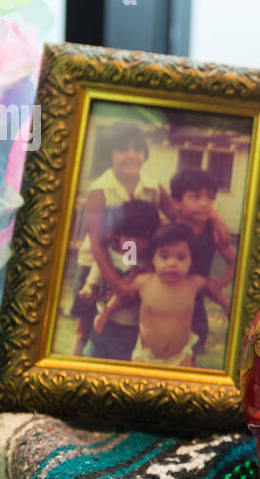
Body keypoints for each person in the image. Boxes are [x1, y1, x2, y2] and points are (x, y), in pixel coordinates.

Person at [72, 122, 162, 346]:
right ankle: (74, 363)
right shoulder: (100, 190)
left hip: (134, 259)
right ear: (109, 154)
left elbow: (177, 215)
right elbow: (96, 243)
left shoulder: (153, 187)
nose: (132, 155)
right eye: (123, 150)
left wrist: (214, 220)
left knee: (127, 319)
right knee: (86, 323)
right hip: (96, 261)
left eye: (137, 149)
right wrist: (115, 282)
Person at [96, 224, 211, 367]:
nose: (172, 263)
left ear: (191, 260)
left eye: (181, 258)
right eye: (164, 256)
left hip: (181, 356)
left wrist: (227, 305)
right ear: (153, 259)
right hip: (145, 356)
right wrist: (106, 313)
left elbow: (216, 289)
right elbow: (122, 297)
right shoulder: (143, 282)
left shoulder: (194, 283)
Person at [80, 200, 160, 361]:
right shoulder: (107, 258)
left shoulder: (148, 266)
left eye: (141, 237)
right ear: (118, 234)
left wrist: (139, 266)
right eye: (128, 236)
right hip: (102, 324)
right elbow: (92, 284)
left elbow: (129, 292)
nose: (134, 242)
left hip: (130, 329)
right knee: (93, 361)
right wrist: (88, 291)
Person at [169, 168, 237, 356]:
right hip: (167, 302)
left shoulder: (213, 232)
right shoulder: (169, 230)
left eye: (209, 198)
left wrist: (219, 284)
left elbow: (235, 262)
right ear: (176, 202)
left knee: (192, 357)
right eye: (195, 197)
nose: (204, 204)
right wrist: (130, 267)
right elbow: (134, 250)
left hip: (195, 307)